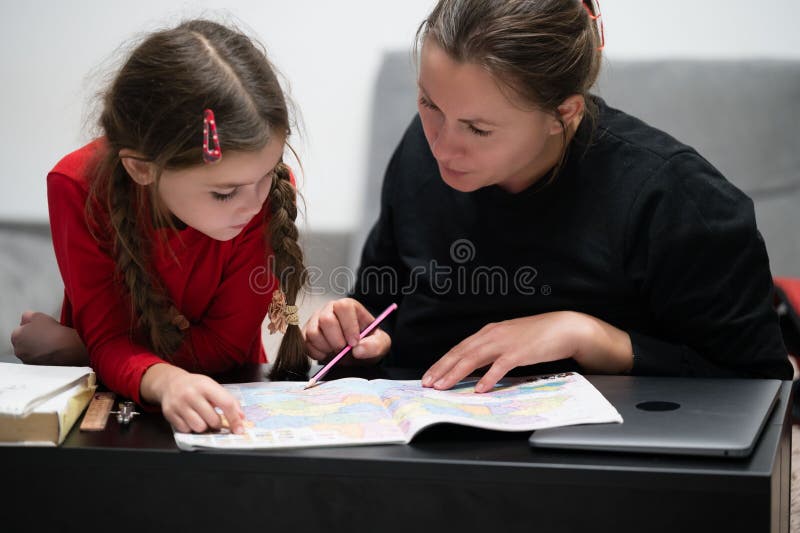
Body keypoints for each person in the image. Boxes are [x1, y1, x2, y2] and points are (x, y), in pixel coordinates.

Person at [303, 0, 793, 391]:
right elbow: (379, 306)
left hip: (591, 459)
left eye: (478, 128)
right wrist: (352, 335)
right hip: (420, 437)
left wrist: (591, 336)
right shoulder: (420, 149)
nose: (441, 147)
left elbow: (758, 386)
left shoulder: (674, 200)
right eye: (429, 104)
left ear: (564, 114)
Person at [10, 19, 309, 434]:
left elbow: (226, 348)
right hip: (113, 418)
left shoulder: (263, 195)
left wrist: (84, 349)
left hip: (228, 408)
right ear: (142, 169)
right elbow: (109, 334)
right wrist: (157, 377)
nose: (256, 201)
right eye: (224, 193)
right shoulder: (77, 187)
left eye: (268, 173)